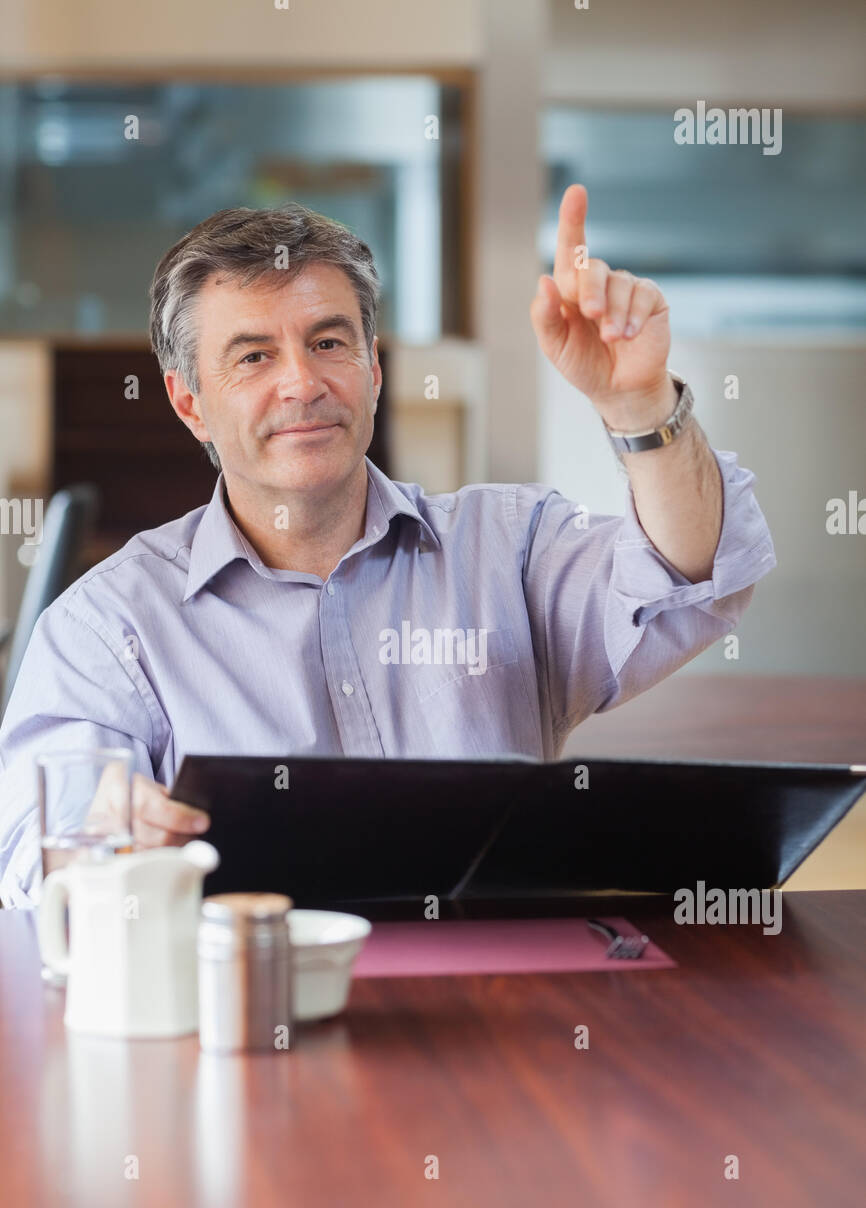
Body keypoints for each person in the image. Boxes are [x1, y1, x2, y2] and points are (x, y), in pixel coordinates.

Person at [0, 186, 775, 907]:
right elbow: (32, 853)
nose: (302, 383)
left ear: (373, 369)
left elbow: (693, 572)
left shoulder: (508, 547)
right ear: (189, 402)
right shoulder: (107, 628)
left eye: (329, 341)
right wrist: (99, 850)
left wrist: (639, 405)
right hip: (255, 1013)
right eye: (253, 356)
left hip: (499, 1022)